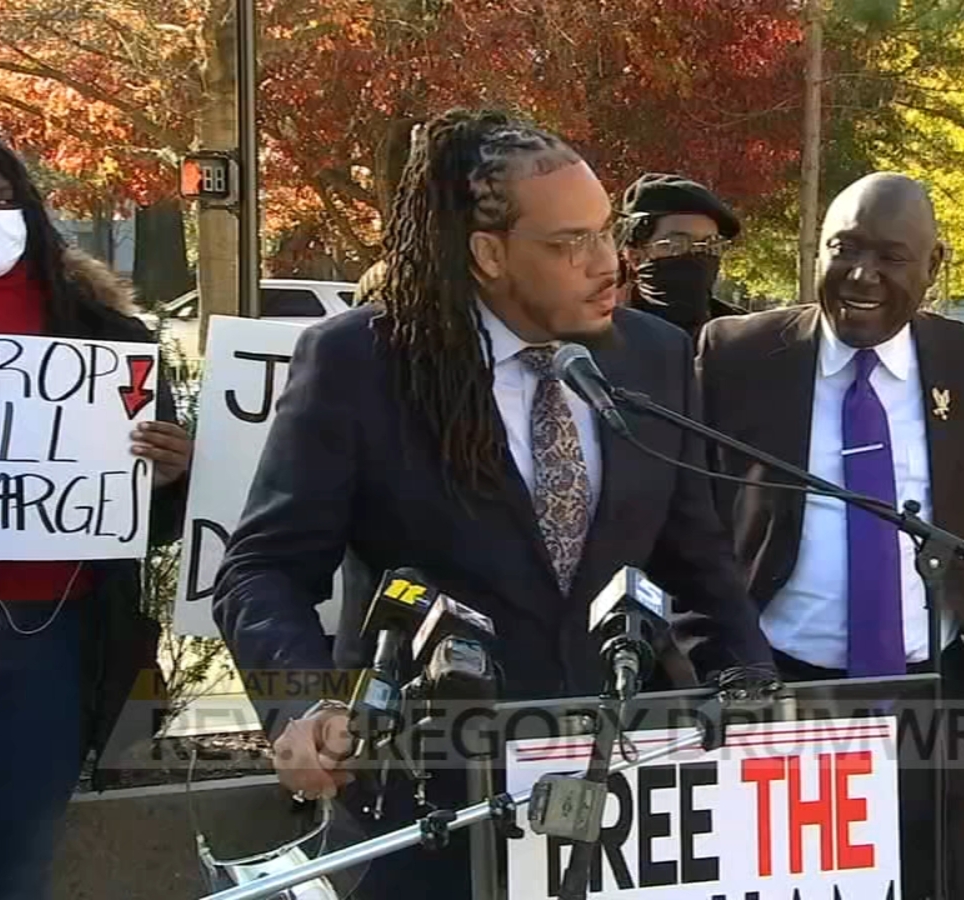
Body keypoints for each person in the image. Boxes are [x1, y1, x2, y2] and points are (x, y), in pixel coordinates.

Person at [212, 109, 775, 897]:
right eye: (567, 243)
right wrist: (301, 706)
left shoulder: (654, 356)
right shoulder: (361, 362)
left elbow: (698, 561)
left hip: (609, 803)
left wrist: (754, 700)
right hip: (426, 806)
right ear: (487, 253)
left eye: (606, 231)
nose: (607, 263)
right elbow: (263, 568)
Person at [695, 171, 964, 900]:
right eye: (844, 248)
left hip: (937, 685)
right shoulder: (738, 354)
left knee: (941, 880)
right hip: (784, 684)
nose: (862, 274)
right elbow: (695, 519)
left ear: (935, 266)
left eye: (892, 256)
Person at [0, 130, 192, 900]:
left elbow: (149, 522)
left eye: (3, 200)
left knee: (19, 859)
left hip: (60, 635)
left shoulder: (108, 333)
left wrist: (173, 470)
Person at [617, 172, 743, 338]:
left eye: (710, 245)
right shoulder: (605, 338)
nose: (697, 255)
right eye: (677, 245)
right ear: (635, 256)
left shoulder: (744, 336)